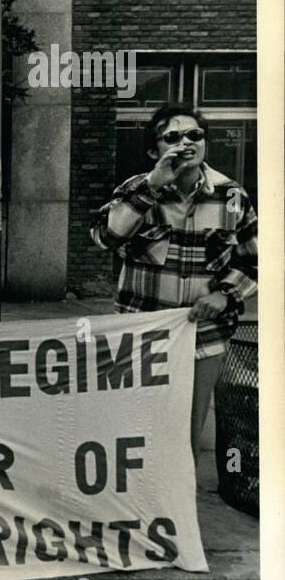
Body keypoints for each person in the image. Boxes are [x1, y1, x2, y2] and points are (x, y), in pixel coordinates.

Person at [91, 104, 257, 459]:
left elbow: (253, 259)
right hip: (142, 334)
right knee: (135, 429)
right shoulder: (136, 190)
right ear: (155, 150)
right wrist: (152, 186)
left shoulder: (231, 196)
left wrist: (227, 295)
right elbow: (106, 236)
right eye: (173, 137)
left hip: (204, 336)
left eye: (195, 135)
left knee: (186, 437)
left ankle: (177, 507)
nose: (186, 143)